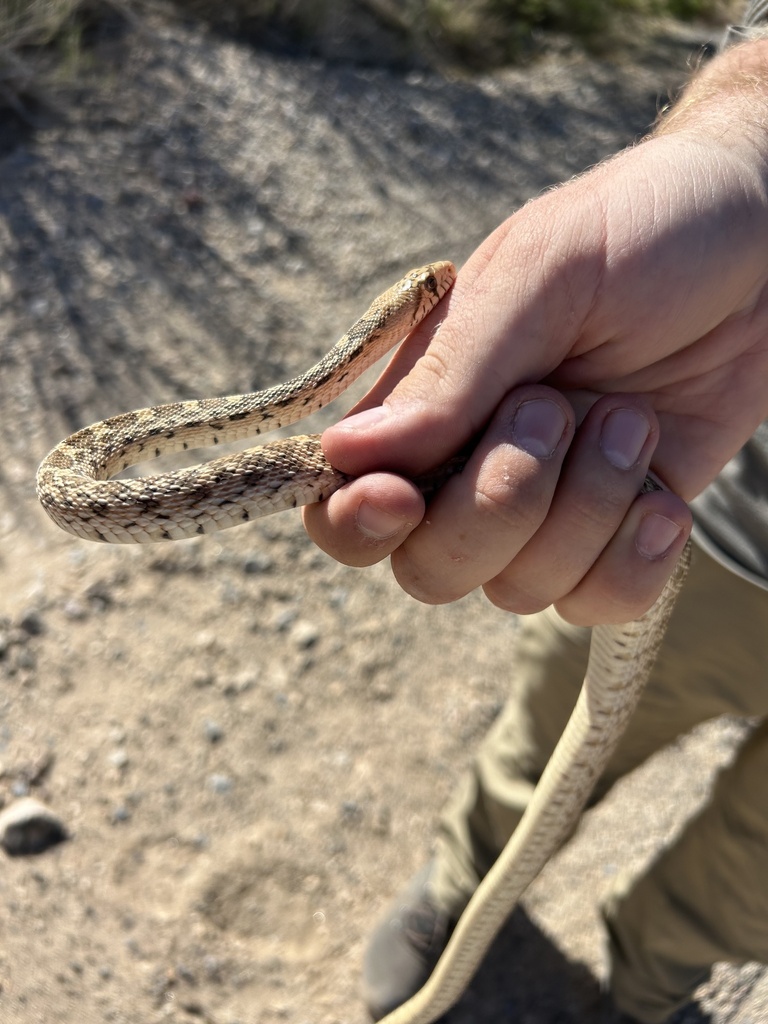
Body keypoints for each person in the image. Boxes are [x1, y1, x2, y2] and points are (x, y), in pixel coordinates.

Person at [303, 4, 768, 1022]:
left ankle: (654, 986)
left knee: (754, 878)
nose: (440, 287)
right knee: (564, 714)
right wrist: (752, 138)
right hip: (727, 511)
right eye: (423, 291)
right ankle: (462, 887)